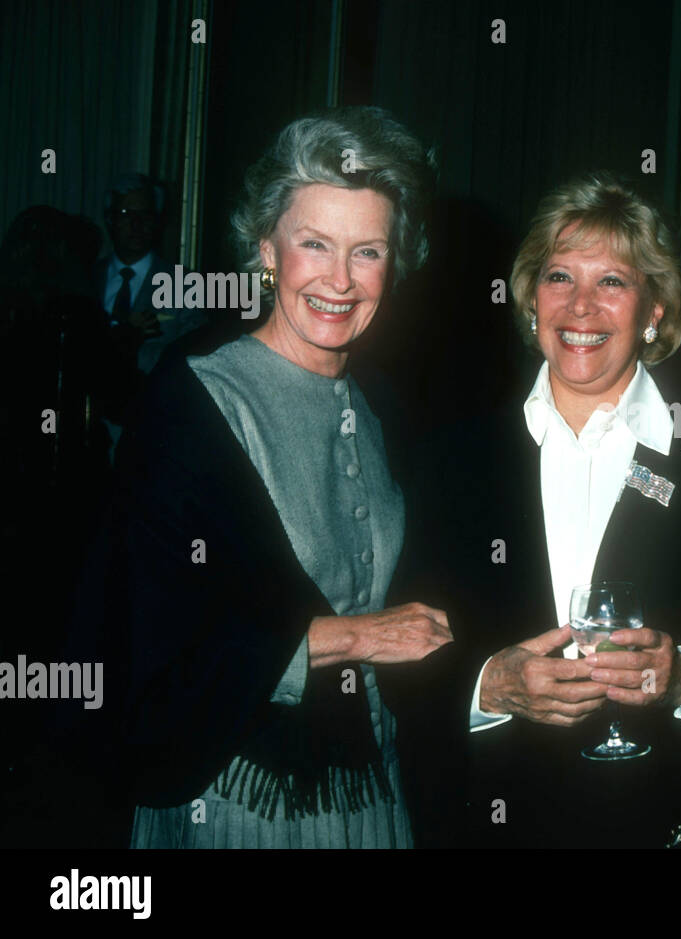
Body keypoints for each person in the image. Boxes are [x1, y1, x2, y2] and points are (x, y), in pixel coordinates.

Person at [66, 107, 449, 848]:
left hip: (375, 791)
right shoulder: (190, 404)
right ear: (265, 248)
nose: (340, 280)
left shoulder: (389, 409)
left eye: (367, 252)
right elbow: (147, 642)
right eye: (314, 244)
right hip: (238, 800)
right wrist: (351, 638)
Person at [394, 173, 681, 847]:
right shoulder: (454, 458)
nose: (581, 306)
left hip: (676, 819)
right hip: (500, 822)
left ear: (655, 311)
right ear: (530, 301)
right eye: (560, 277)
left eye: (612, 281)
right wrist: (490, 684)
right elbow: (406, 647)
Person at [95, 173, 208, 376]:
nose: (136, 224)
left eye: (145, 214)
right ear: (110, 219)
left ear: (157, 221)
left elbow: (195, 356)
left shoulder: (185, 285)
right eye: (125, 213)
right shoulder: (86, 278)